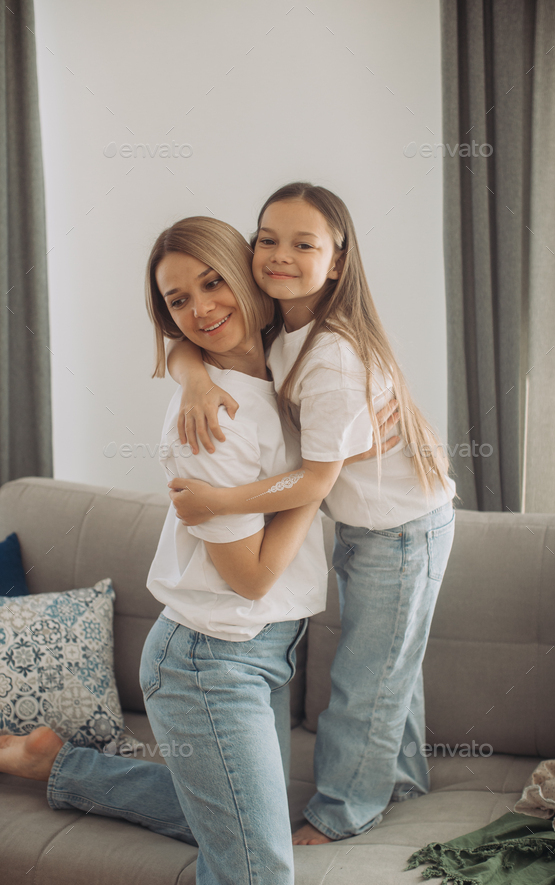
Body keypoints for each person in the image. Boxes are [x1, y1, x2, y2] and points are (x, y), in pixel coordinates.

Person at [0, 216, 330, 885]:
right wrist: (321, 477)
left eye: (212, 283)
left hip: (265, 648)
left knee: (238, 818)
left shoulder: (280, 361)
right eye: (179, 300)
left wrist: (194, 373)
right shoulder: (209, 426)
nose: (200, 309)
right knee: (259, 869)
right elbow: (251, 578)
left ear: (248, 276)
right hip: (210, 662)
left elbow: (194, 348)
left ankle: (57, 765)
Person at [164, 182, 457, 845]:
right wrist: (197, 381)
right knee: (389, 661)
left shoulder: (332, 356)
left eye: (304, 244)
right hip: (368, 525)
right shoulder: (276, 320)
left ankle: (343, 810)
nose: (281, 255)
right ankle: (401, 782)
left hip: (403, 531)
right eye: (268, 239)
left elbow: (316, 480)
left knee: (368, 674)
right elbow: (179, 340)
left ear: (337, 259)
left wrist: (220, 501)